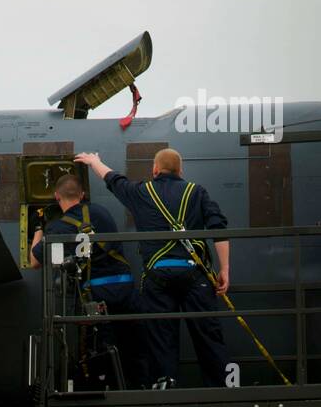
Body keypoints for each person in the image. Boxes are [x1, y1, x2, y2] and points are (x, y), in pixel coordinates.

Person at [74, 148, 231, 388]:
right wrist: (225, 269)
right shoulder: (196, 192)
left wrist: (94, 161)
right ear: (181, 171)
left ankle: (165, 383)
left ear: (155, 170)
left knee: (161, 335)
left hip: (158, 275)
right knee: (207, 335)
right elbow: (219, 229)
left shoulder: (141, 192)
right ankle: (220, 387)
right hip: (195, 274)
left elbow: (113, 179)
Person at [30, 172, 149, 388]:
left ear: (57, 196)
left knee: (102, 347)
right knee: (133, 342)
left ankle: (109, 395)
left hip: (95, 295)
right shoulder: (101, 213)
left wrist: (38, 228)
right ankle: (141, 390)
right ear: (83, 194)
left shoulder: (58, 227)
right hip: (125, 289)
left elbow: (34, 262)